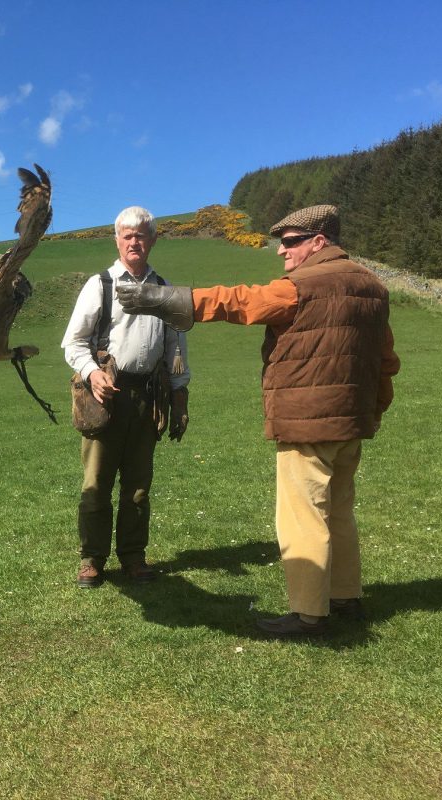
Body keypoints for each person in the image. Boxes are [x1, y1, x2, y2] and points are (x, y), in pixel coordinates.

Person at [116, 204, 400, 636]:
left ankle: (309, 613)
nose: (281, 253)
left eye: (289, 243)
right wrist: (374, 409)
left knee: (303, 515)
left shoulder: (303, 286)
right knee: (340, 512)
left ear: (318, 242)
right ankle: (345, 597)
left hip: (307, 424)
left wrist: (169, 299)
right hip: (351, 424)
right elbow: (386, 361)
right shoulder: (374, 287)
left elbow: (242, 302)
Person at [62, 206, 191, 589]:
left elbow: (175, 349)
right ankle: (92, 559)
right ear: (117, 240)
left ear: (152, 240)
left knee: (138, 487)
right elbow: (73, 342)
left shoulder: (166, 291)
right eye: (127, 235)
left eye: (141, 235)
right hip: (104, 395)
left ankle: (133, 557)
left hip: (148, 398)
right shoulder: (99, 285)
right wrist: (92, 373)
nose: (134, 241)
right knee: (96, 484)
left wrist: (180, 399)